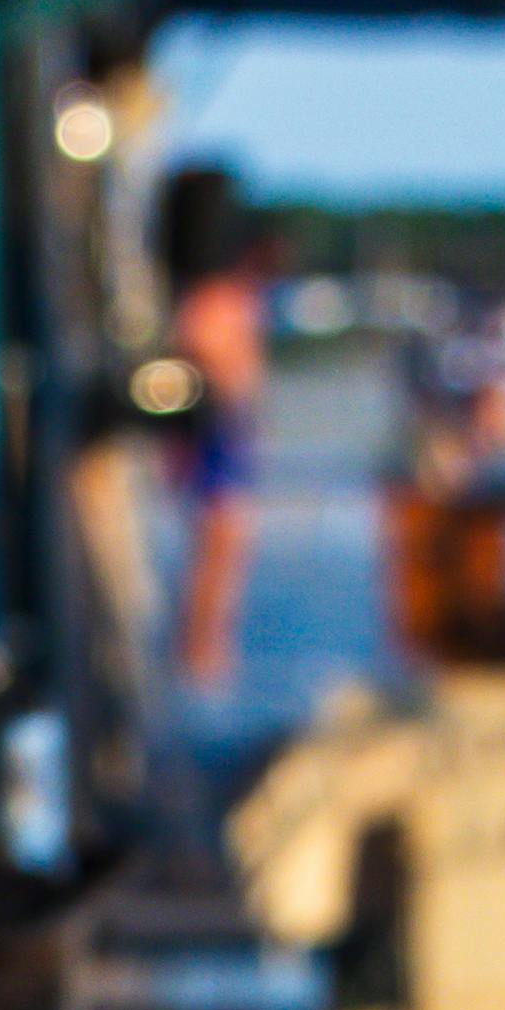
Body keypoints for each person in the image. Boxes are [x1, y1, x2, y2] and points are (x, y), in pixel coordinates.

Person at [159, 164, 286, 689]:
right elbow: (206, 355)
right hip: (216, 429)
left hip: (224, 428)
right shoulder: (213, 300)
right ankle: (200, 652)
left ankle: (207, 649)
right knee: (220, 541)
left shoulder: (225, 297)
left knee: (226, 543)